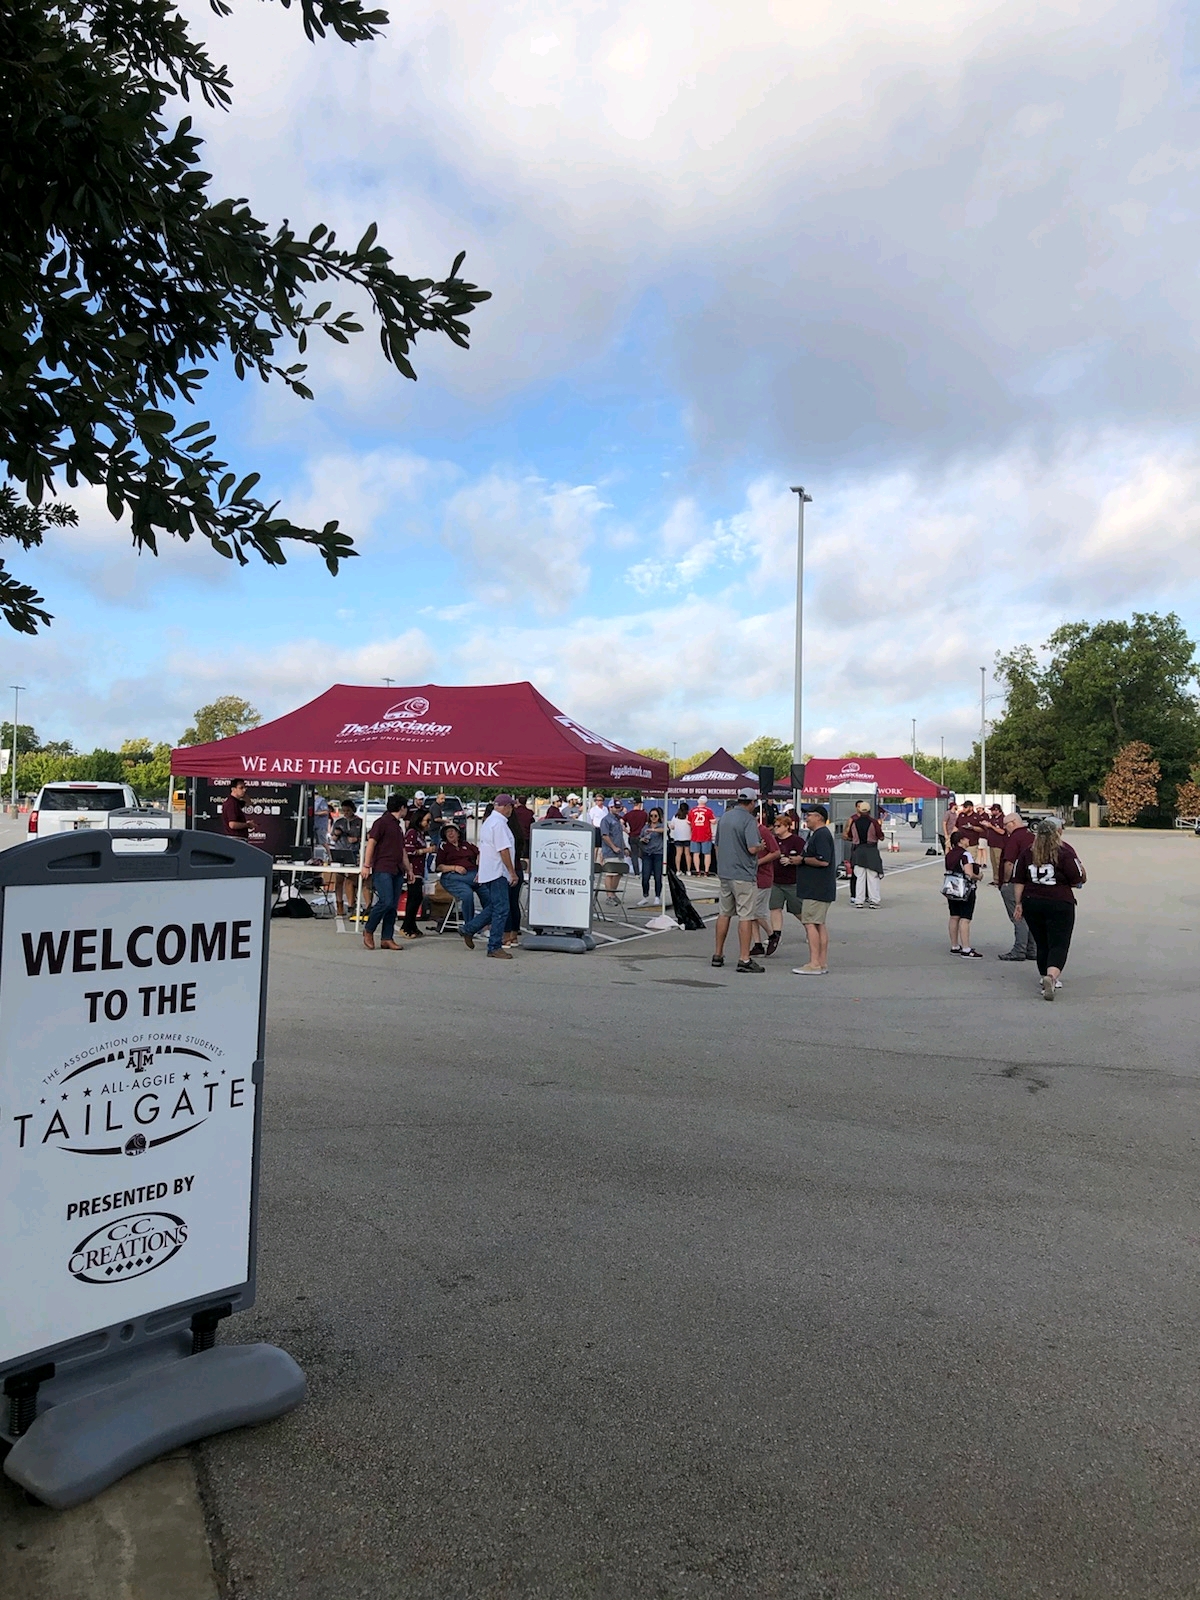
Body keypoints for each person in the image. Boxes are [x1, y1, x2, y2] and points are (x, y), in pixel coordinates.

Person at [1012, 818, 1086, 1001]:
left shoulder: (1027, 853)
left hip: (1032, 901)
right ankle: (1052, 976)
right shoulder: (1064, 853)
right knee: (1059, 942)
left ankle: (1044, 974)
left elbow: (1019, 880)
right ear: (1056, 834)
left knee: (1042, 942)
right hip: (1059, 901)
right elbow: (1077, 878)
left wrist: (1019, 904)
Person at [711, 789, 766, 972]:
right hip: (743, 873)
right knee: (746, 915)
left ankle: (718, 954)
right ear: (752, 803)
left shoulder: (725, 817)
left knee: (724, 913)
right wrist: (761, 846)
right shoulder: (749, 820)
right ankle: (744, 958)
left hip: (725, 872)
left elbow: (717, 845)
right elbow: (752, 848)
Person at [461, 793, 519, 958]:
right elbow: (503, 850)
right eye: (510, 806)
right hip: (498, 870)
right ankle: (494, 946)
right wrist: (512, 872)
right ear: (506, 806)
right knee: (502, 909)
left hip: (490, 870)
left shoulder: (489, 822)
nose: (511, 810)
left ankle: (469, 928)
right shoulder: (499, 824)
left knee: (495, 906)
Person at [359, 794, 412, 951]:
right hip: (383, 867)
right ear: (402, 807)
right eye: (406, 808)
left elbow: (402, 850)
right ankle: (369, 929)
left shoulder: (398, 826)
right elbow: (371, 843)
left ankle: (387, 938)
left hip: (397, 868)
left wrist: (409, 869)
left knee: (392, 906)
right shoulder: (381, 822)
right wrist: (366, 865)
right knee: (386, 901)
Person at [791, 805, 838, 974]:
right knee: (819, 924)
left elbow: (823, 860)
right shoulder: (817, 834)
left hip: (816, 888)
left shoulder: (821, 835)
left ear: (819, 817)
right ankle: (821, 962)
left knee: (810, 923)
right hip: (818, 887)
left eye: (809, 815)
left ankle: (814, 963)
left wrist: (802, 860)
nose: (806, 818)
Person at [996, 812, 1036, 961]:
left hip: (1015, 883)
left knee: (1017, 916)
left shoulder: (1014, 838)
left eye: (1005, 825)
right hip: (1030, 882)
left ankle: (1019, 949)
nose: (1004, 828)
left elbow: (1009, 862)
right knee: (1029, 916)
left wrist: (1006, 881)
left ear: (1013, 823)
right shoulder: (1031, 836)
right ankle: (1032, 949)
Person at [767, 812, 806, 956]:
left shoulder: (797, 841)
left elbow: (804, 857)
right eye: (775, 826)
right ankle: (776, 935)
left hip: (792, 881)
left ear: (787, 826)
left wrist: (791, 860)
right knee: (775, 908)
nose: (775, 828)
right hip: (776, 881)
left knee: (798, 910)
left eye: (779, 826)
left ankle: (810, 929)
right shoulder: (773, 840)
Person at [943, 828, 983, 957]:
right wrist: (979, 877)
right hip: (965, 889)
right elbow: (969, 873)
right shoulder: (965, 854)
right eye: (965, 838)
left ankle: (954, 945)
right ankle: (966, 948)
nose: (968, 840)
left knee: (954, 916)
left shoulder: (949, 854)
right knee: (965, 918)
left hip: (952, 887)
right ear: (961, 841)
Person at [436, 822, 480, 928]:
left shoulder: (466, 845)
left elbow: (479, 852)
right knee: (467, 894)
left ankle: (486, 924)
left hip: (473, 873)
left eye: (452, 831)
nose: (450, 834)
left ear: (458, 833)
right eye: (447, 832)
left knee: (488, 895)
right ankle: (469, 926)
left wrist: (479, 860)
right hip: (453, 876)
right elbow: (438, 867)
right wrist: (454, 867)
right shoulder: (444, 847)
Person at [844, 799, 885, 909]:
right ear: (869, 811)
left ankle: (859, 900)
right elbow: (881, 836)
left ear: (859, 810)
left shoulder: (854, 822)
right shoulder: (874, 822)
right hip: (871, 850)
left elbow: (849, 836)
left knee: (860, 877)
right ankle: (874, 900)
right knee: (873, 877)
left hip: (858, 851)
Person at [400, 807, 434, 938]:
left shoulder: (421, 834)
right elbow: (408, 851)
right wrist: (426, 850)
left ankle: (412, 925)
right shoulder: (412, 833)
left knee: (417, 897)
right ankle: (406, 927)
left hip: (419, 869)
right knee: (414, 898)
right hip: (412, 870)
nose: (429, 824)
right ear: (419, 820)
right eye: (427, 821)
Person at [749, 815, 781, 956]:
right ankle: (757, 943)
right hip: (750, 876)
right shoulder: (747, 831)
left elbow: (776, 852)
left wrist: (759, 862)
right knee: (750, 913)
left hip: (763, 876)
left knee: (756, 911)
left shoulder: (763, 831)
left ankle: (772, 934)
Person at [329, 797, 363, 918]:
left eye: (348, 810)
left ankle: (351, 904)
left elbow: (366, 837)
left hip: (353, 852)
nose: (346, 813)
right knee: (339, 879)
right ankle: (339, 904)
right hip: (339, 851)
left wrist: (356, 839)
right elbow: (332, 838)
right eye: (344, 811)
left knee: (352, 879)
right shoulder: (339, 822)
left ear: (353, 809)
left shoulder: (359, 822)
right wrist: (336, 834)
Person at [599, 801, 629, 903]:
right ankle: (609, 895)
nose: (618, 809)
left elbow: (619, 836)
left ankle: (613, 893)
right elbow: (605, 835)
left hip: (619, 850)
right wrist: (613, 847)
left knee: (619, 873)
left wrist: (624, 847)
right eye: (616, 807)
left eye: (619, 807)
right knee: (610, 873)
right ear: (610, 808)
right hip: (610, 851)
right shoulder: (606, 820)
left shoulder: (618, 820)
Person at [637, 805, 665, 904]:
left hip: (658, 853)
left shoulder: (661, 825)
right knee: (645, 876)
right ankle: (645, 896)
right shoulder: (646, 827)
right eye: (651, 816)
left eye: (655, 816)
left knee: (658, 877)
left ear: (659, 817)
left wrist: (653, 830)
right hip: (647, 853)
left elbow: (665, 830)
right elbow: (640, 837)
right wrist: (642, 839)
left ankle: (657, 896)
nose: (653, 818)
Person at [688, 796, 717, 876]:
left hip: (695, 834)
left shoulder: (692, 810)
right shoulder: (709, 810)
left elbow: (689, 822)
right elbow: (714, 821)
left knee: (696, 853)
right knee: (707, 853)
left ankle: (697, 871)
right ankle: (706, 871)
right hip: (706, 834)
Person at [624, 796, 648, 875]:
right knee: (645, 854)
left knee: (634, 855)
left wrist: (626, 831)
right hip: (641, 836)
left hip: (632, 836)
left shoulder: (628, 814)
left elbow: (621, 822)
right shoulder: (644, 814)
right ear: (640, 804)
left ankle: (636, 872)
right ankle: (645, 870)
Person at [669, 802, 692, 873]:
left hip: (678, 837)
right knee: (687, 854)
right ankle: (688, 870)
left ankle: (678, 870)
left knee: (678, 854)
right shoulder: (689, 816)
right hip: (687, 837)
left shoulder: (675, 817)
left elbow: (672, 827)